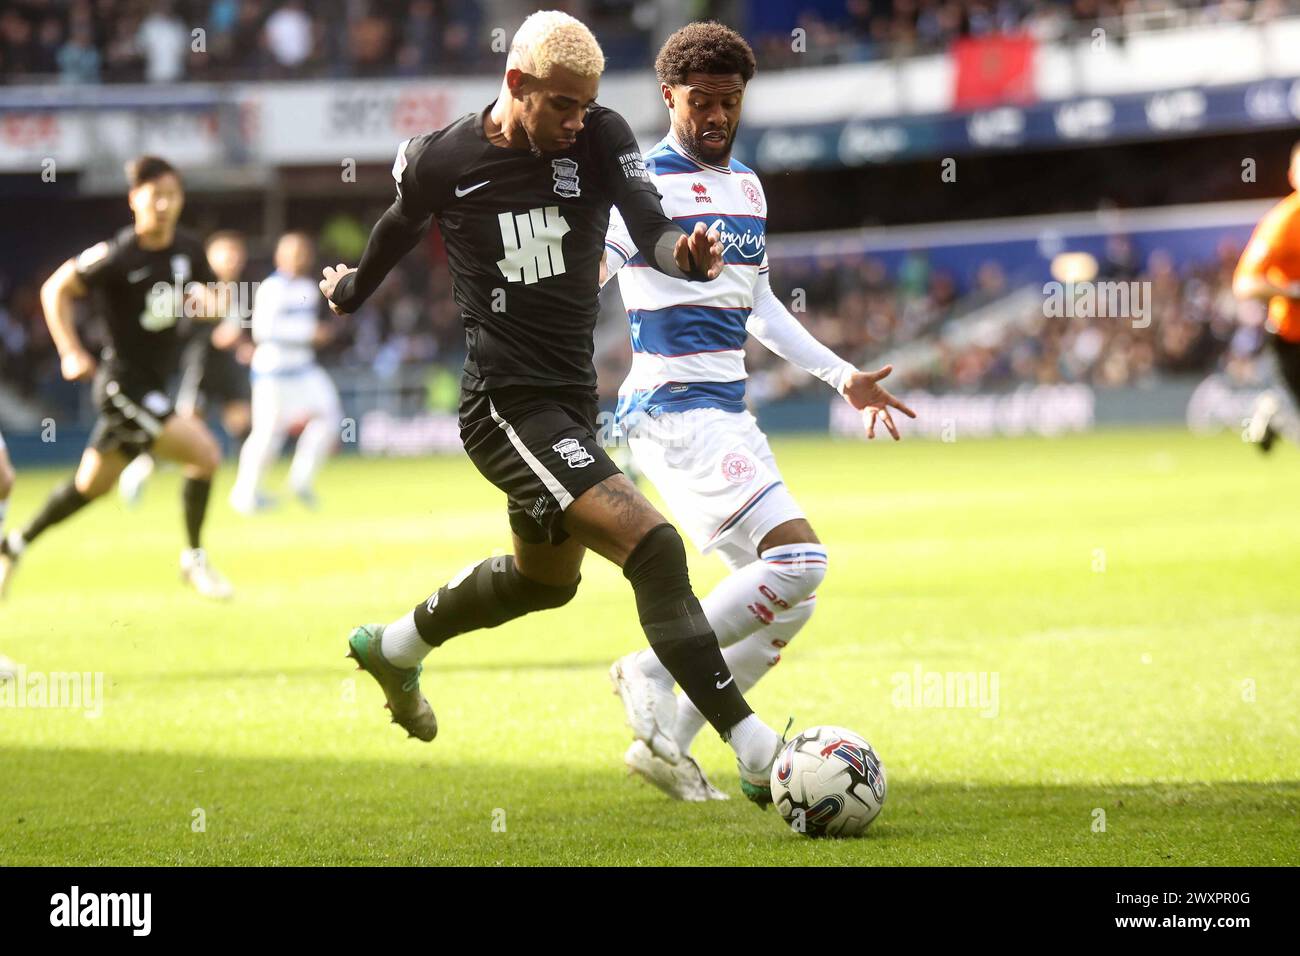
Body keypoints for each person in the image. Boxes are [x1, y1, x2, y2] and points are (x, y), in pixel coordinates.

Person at [318, 10, 787, 803]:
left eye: (585, 105)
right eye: (561, 106)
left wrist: (689, 256)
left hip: (570, 400)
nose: (577, 122)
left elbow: (653, 224)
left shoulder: (602, 136)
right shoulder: (446, 158)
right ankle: (753, 744)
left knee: (546, 582)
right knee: (654, 548)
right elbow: (397, 228)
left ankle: (393, 648)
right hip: (505, 405)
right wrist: (350, 291)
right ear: (515, 85)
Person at [600, 21, 915, 800]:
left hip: (725, 410)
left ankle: (667, 746)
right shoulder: (640, 188)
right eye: (699, 101)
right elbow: (587, 283)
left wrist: (843, 376)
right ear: (669, 96)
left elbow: (760, 305)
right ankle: (645, 667)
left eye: (729, 101)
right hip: (672, 410)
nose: (715, 116)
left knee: (788, 607)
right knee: (802, 562)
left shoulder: (746, 187)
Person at [0, 155, 233, 600]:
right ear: (134, 200)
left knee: (91, 486)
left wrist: (213, 304)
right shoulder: (117, 254)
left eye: (172, 195)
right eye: (154, 195)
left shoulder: (188, 248)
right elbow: (55, 289)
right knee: (204, 453)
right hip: (122, 388)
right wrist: (70, 351)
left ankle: (14, 544)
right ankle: (194, 560)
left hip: (152, 385)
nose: (164, 204)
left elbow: (219, 296)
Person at [118, 230, 254, 507]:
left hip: (227, 367)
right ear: (210, 258)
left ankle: (245, 491)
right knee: (188, 428)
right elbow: (187, 326)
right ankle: (142, 467)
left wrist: (242, 344)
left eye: (237, 254)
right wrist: (215, 330)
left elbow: (235, 329)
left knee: (243, 423)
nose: (233, 260)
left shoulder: (240, 290)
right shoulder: (196, 288)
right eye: (226, 254)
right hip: (200, 363)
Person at [230, 232, 341, 513]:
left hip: (303, 369)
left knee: (330, 417)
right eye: (292, 251)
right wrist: (310, 334)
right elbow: (263, 331)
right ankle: (244, 494)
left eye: (303, 251)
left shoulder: (307, 285)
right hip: (274, 373)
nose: (299, 257)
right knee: (267, 434)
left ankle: (300, 480)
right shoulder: (271, 288)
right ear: (279, 256)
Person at [1234, 140, 1300, 452]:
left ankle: (1277, 410)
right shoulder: (1283, 223)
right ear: (1292, 175)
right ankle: (1279, 411)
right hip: (1292, 338)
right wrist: (1291, 291)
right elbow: (1244, 283)